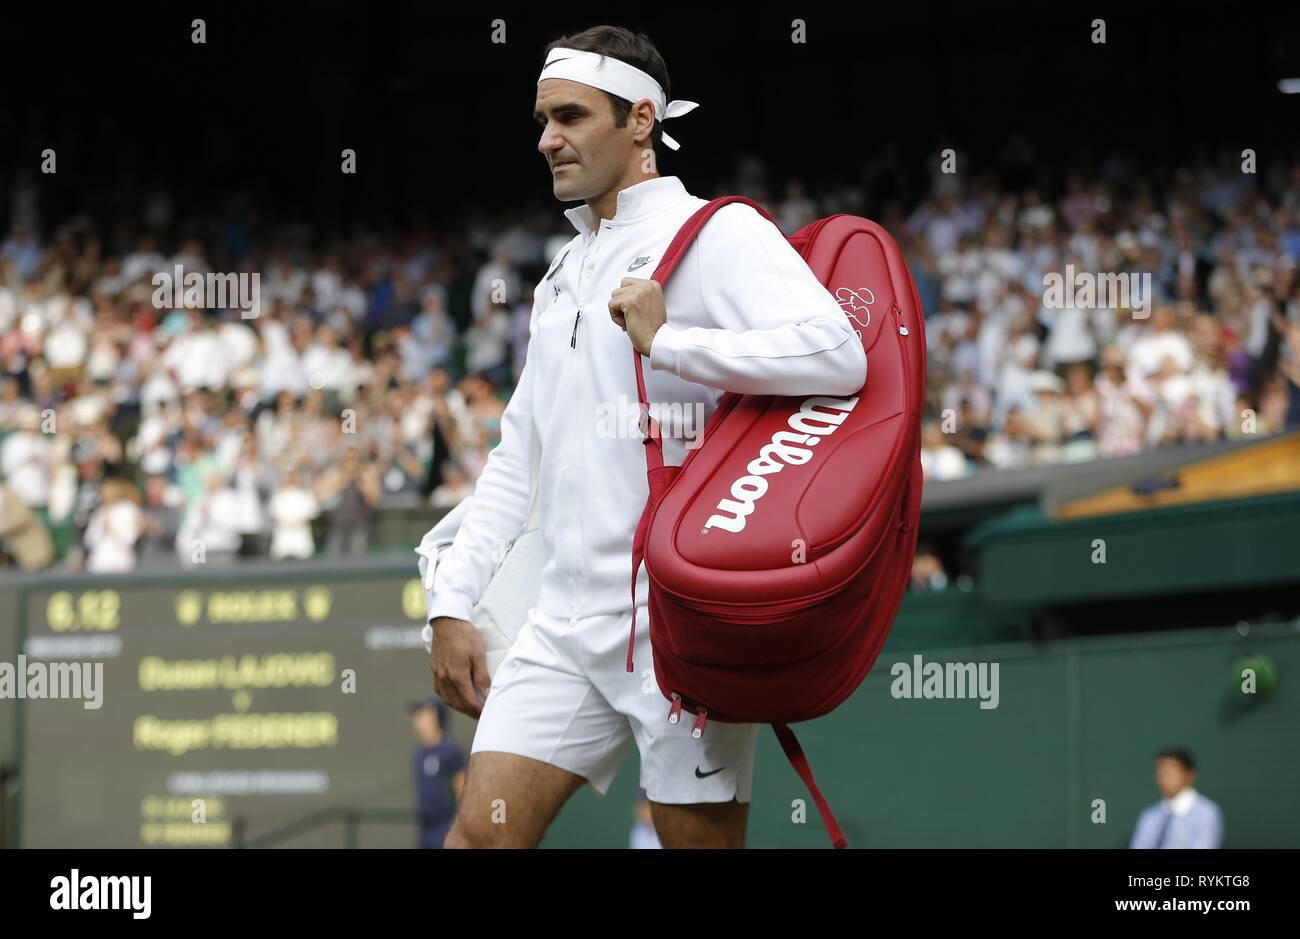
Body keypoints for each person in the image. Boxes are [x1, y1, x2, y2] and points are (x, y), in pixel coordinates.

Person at [425, 25, 866, 850]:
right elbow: (519, 450)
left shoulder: (718, 233)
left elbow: (838, 355)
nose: (547, 138)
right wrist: (453, 599)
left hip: (677, 622)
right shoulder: (560, 273)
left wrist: (670, 345)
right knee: (480, 837)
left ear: (640, 120)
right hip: (560, 619)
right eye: (542, 119)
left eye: (570, 116)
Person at [1129, 747, 1223, 848]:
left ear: (1189, 775)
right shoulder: (1150, 815)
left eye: (1171, 771)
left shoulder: (1207, 814)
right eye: (1161, 771)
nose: (1164, 777)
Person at [409, 697, 466, 849]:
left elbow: (462, 790)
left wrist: (459, 826)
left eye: (423, 714)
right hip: (425, 829)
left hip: (446, 828)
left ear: (435, 716)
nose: (417, 719)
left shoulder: (450, 751)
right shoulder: (418, 753)